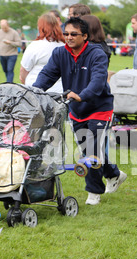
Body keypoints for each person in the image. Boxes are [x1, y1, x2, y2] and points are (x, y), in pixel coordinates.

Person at [33, 17, 127, 206]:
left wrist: (82, 95)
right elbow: (48, 74)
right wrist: (33, 91)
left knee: (93, 149)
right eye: (66, 33)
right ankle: (114, 173)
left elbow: (99, 81)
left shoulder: (96, 54)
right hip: (76, 110)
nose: (68, 37)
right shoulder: (60, 53)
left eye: (73, 34)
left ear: (85, 36)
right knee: (89, 149)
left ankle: (93, 192)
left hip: (99, 108)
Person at [20, 13, 65, 92]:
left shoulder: (35, 46)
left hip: (36, 89)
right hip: (59, 90)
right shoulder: (64, 46)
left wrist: (25, 82)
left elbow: (23, 71)